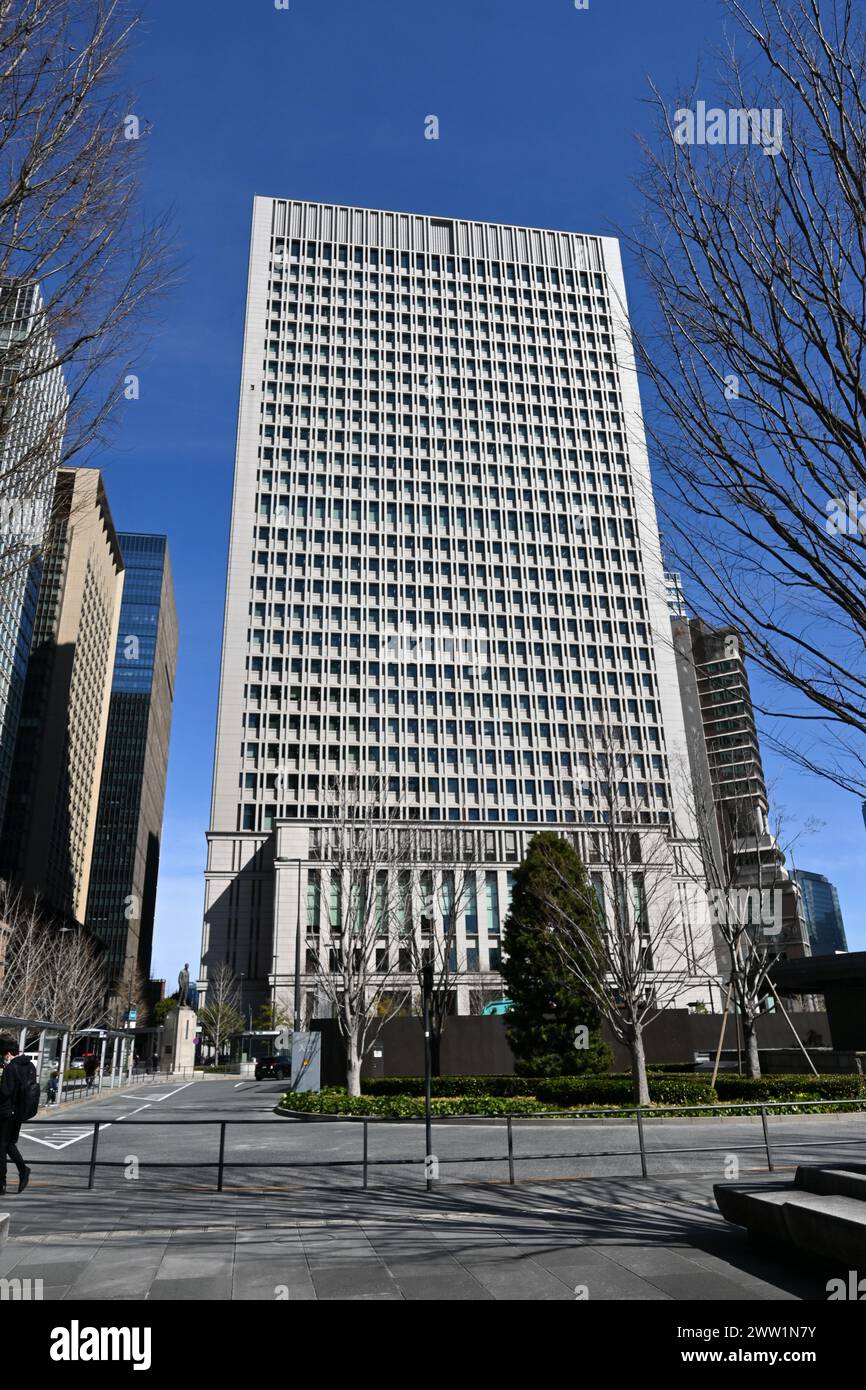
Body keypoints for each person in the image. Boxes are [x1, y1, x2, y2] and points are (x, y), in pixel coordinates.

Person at [0, 1037, 34, 1196]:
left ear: (7, 1053)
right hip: (20, 1112)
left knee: (1, 1147)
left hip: (6, 1112)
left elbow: (6, 1091)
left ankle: (2, 1184)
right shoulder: (29, 1065)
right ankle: (23, 1169)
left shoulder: (11, 1068)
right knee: (9, 1144)